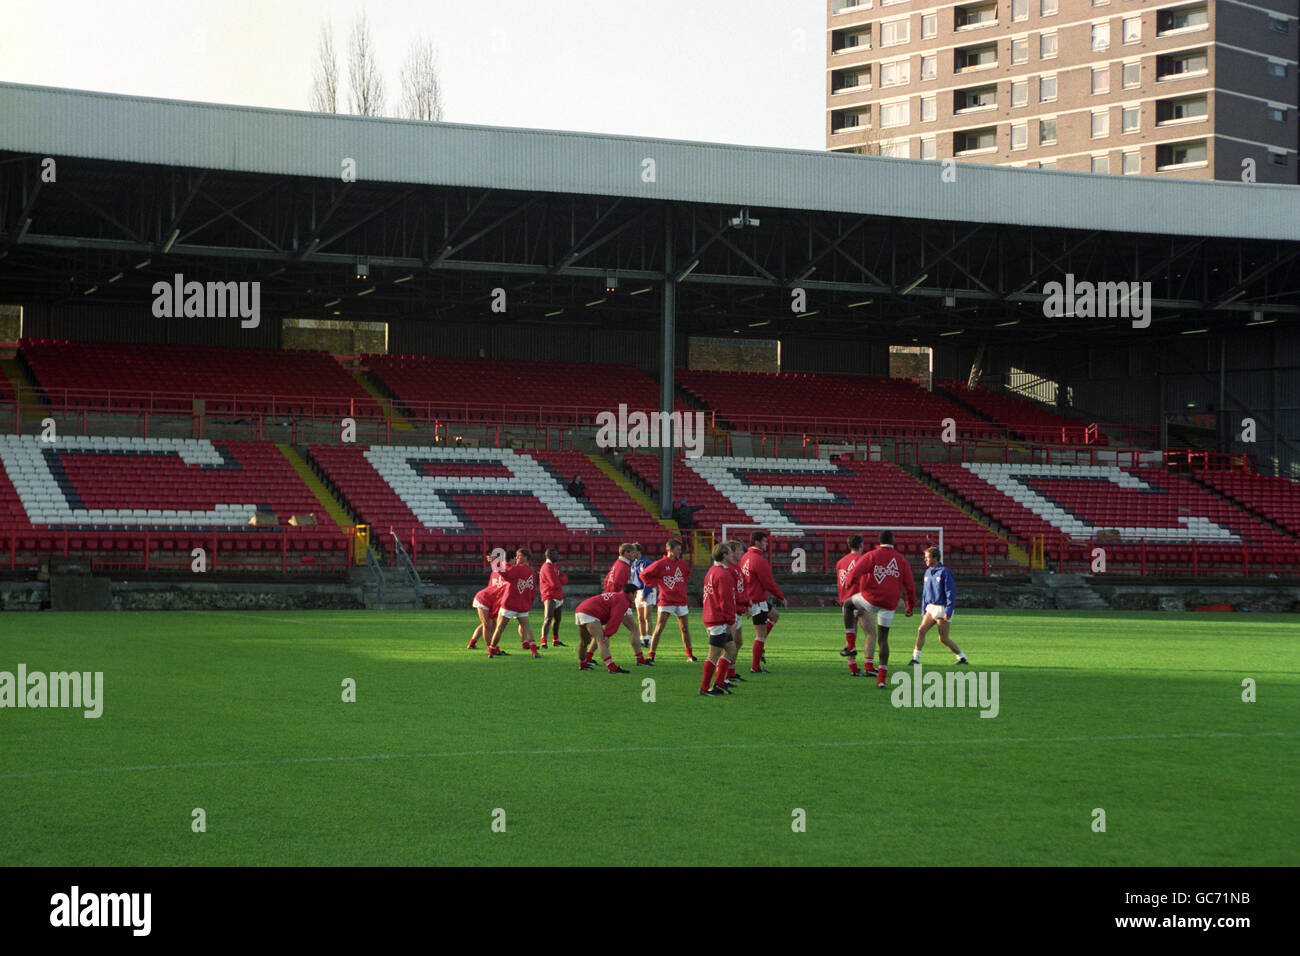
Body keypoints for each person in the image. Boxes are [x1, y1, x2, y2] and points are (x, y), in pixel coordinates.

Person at [846, 531, 916, 689]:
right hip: (889, 604)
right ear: (893, 542)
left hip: (870, 599)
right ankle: (882, 680)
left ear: (879, 541)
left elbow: (856, 571)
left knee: (848, 605)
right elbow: (910, 586)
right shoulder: (901, 560)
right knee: (883, 640)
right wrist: (910, 606)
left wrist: (849, 583)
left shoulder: (872, 555)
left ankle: (850, 644)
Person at [912, 547, 969, 666]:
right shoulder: (927, 572)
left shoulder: (945, 572)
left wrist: (948, 610)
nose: (925, 560)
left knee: (943, 638)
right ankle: (915, 659)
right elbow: (925, 593)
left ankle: (962, 658)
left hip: (942, 608)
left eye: (927, 557)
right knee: (921, 630)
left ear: (935, 558)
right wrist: (924, 609)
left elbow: (950, 592)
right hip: (931, 607)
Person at [640, 538, 694, 662]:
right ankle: (651, 655)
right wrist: (657, 583)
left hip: (681, 601)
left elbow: (686, 576)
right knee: (659, 628)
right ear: (670, 550)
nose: (680, 552)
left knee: (685, 629)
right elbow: (644, 575)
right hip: (666, 601)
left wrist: (679, 588)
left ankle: (690, 655)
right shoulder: (660, 564)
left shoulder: (683, 564)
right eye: (678, 549)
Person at [740, 531, 785, 674]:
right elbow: (768, 582)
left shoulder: (745, 557)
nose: (767, 544)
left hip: (754, 598)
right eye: (765, 542)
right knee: (760, 635)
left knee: (774, 616)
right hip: (757, 601)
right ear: (757, 542)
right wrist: (781, 597)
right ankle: (755, 667)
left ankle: (761, 647)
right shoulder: (759, 560)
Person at [699, 543, 739, 696]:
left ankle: (719, 683)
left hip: (713, 617)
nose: (732, 555)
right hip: (718, 620)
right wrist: (730, 620)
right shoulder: (723, 574)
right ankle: (704, 688)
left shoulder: (712, 571)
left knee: (731, 649)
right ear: (724, 556)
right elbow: (725, 600)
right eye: (729, 553)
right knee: (714, 654)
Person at [486, 549, 539, 659]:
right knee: (527, 628)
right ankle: (534, 652)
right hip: (523, 605)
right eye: (517, 556)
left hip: (510, 603)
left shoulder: (517, 568)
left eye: (519, 556)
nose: (517, 558)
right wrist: (528, 604)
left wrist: (494, 562)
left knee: (500, 628)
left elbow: (505, 574)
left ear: (525, 557)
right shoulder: (531, 572)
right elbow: (532, 590)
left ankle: (491, 650)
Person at [603, 543, 650, 665]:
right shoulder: (623, 566)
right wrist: (617, 599)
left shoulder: (617, 564)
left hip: (614, 601)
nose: (635, 554)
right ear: (626, 553)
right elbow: (615, 584)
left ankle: (588, 656)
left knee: (603, 631)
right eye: (632, 552)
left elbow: (607, 580)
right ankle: (639, 659)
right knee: (633, 629)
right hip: (619, 602)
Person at [574, 583, 637, 673]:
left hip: (580, 609)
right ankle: (612, 668)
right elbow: (615, 619)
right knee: (601, 640)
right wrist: (607, 635)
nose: (635, 597)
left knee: (584, 641)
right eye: (635, 594)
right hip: (590, 613)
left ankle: (583, 664)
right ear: (630, 594)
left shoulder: (617, 596)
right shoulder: (623, 600)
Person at [835, 535, 869, 676]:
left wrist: (842, 600)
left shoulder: (840, 562)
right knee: (871, 634)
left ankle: (854, 669)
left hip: (845, 602)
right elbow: (864, 582)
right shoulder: (863, 561)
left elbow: (840, 583)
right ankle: (870, 666)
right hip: (859, 601)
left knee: (850, 637)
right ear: (861, 545)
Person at [468, 554, 508, 650]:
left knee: (488, 624)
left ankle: (472, 643)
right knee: (488, 624)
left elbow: (491, 586)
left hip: (492, 599)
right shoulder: (506, 573)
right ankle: (491, 648)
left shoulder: (495, 572)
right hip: (488, 599)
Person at [538, 548, 568, 649]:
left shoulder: (554, 566)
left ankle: (555, 640)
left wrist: (559, 579)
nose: (558, 556)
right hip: (550, 595)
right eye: (556, 554)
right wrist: (560, 579)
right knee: (548, 618)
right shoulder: (546, 567)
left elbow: (565, 578)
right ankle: (543, 641)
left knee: (557, 619)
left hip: (558, 595)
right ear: (550, 555)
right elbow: (554, 583)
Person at [629, 544, 655, 648]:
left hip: (647, 590)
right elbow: (632, 579)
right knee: (640, 617)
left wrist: (645, 593)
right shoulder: (633, 564)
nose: (631, 553)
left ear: (638, 551)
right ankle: (642, 638)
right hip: (637, 591)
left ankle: (648, 639)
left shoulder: (646, 563)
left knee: (646, 616)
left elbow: (649, 579)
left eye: (633, 551)